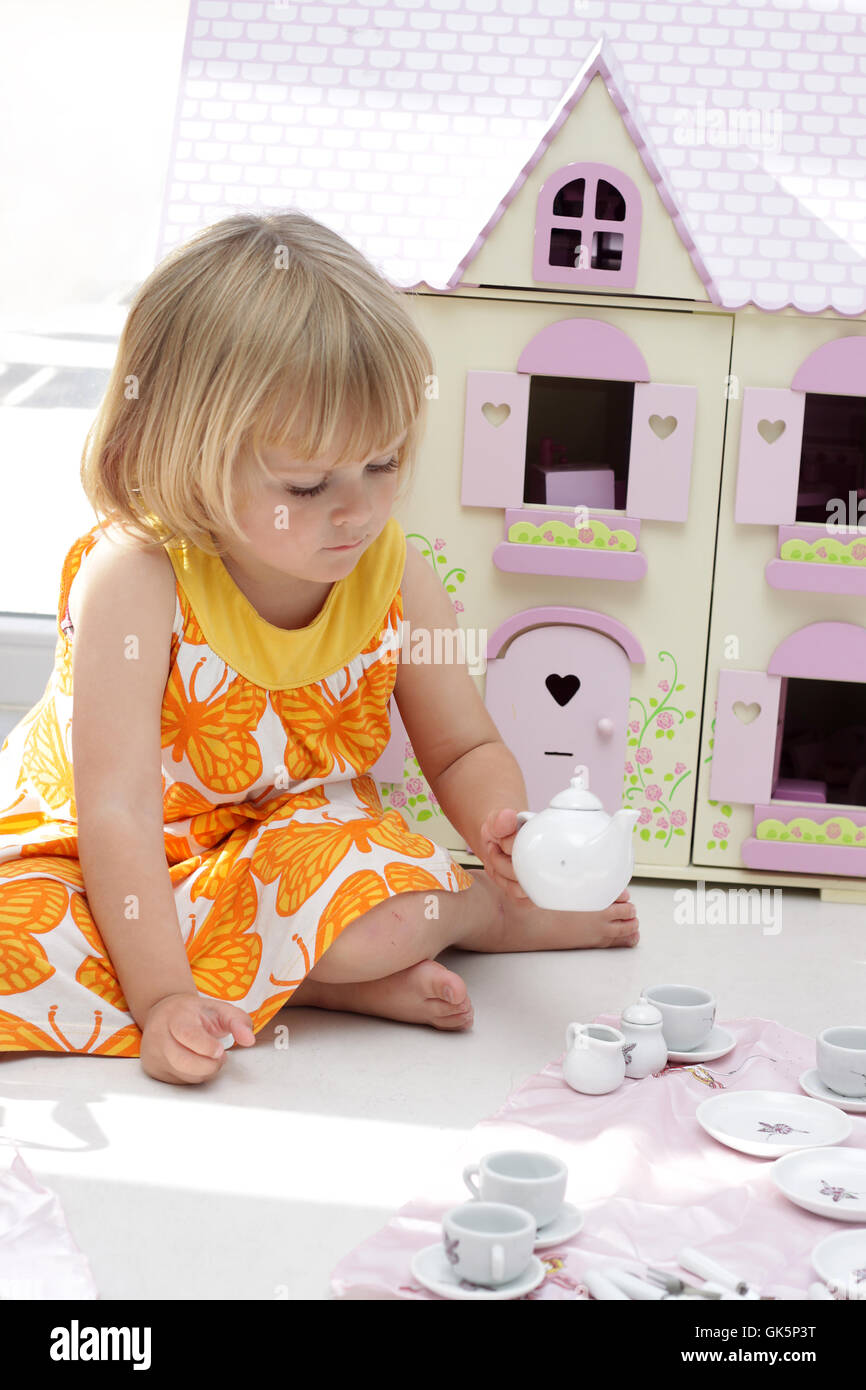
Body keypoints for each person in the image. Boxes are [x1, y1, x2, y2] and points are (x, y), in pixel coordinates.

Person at [0, 211, 639, 1086]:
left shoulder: (391, 572)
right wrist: (159, 1004)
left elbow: (465, 746)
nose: (358, 511)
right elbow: (115, 814)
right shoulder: (136, 578)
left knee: (387, 916)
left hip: (296, 848)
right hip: (118, 854)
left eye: (382, 465)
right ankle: (311, 987)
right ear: (186, 451)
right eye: (306, 485)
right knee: (20, 941)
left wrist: (500, 831)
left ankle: (481, 912)